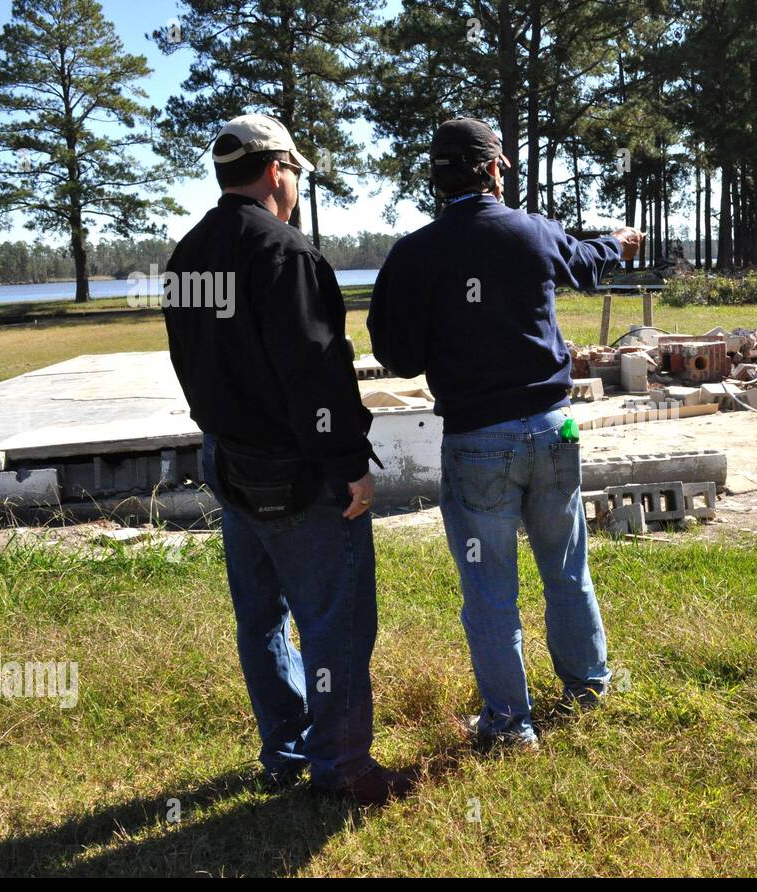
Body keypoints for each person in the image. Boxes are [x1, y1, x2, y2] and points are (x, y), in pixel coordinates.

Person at [369, 117, 642, 749]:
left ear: (436, 179)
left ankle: (510, 725)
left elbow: (396, 353)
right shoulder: (530, 232)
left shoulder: (415, 253)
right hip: (554, 428)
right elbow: (584, 259)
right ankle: (588, 689)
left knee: (490, 588)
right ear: (494, 170)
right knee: (566, 568)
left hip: (475, 441)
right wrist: (618, 242)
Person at [163, 114, 410, 804]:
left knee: (261, 612)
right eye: (297, 173)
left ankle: (287, 750)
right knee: (335, 618)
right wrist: (349, 463)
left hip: (227, 457)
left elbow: (188, 361)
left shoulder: (187, 255)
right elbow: (317, 377)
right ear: (277, 171)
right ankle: (344, 768)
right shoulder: (285, 253)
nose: (297, 184)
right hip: (295, 469)